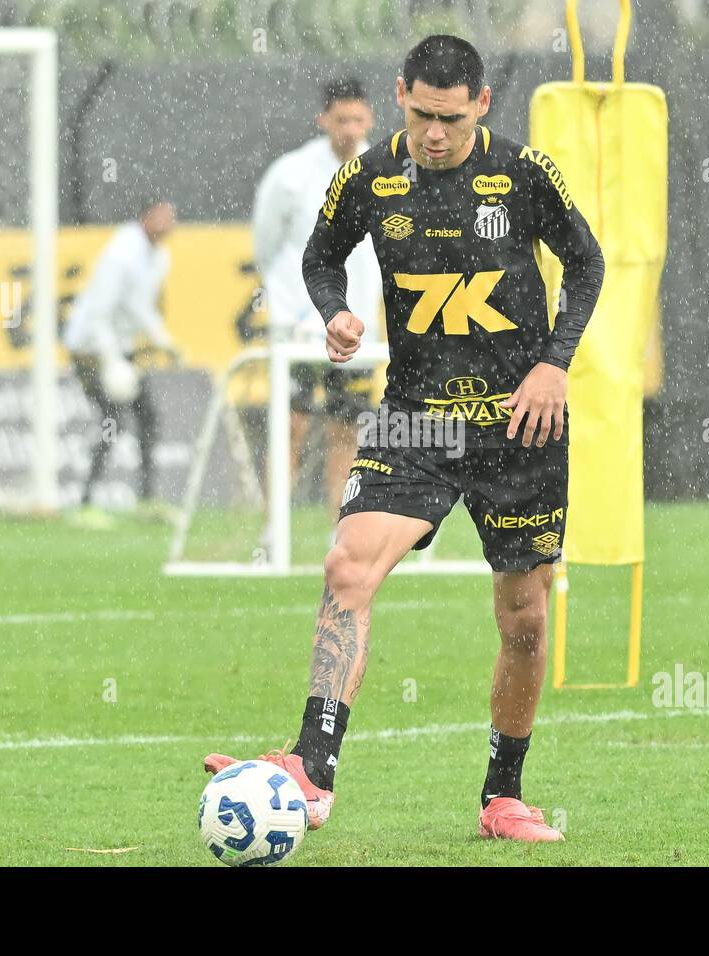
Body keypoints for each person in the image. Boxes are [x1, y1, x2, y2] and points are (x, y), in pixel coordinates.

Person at [203, 36, 604, 843]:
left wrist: (554, 365)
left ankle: (503, 797)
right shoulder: (370, 174)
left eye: (449, 119)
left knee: (524, 617)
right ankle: (313, 772)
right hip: (415, 420)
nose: (433, 134)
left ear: (481, 105)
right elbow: (321, 259)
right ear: (400, 97)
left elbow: (587, 265)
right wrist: (337, 312)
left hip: (520, 428)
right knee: (347, 565)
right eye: (419, 114)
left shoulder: (523, 174)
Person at [252, 78, 384, 511]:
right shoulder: (291, 174)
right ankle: (274, 532)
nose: (350, 128)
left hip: (356, 326)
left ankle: (339, 528)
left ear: (370, 119)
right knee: (293, 425)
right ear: (323, 120)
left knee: (347, 430)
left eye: (358, 119)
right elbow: (266, 246)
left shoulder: (386, 171)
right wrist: (291, 305)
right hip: (300, 327)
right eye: (341, 119)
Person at [62, 199, 181, 525]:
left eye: (171, 217)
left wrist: (161, 338)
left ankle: (146, 501)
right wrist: (111, 360)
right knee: (112, 421)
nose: (168, 223)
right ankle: (85, 504)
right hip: (90, 349)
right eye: (161, 216)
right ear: (144, 216)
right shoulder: (121, 254)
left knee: (148, 418)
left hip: (120, 348)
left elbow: (138, 306)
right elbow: (99, 312)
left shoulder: (158, 256)